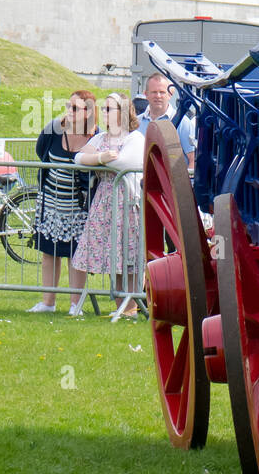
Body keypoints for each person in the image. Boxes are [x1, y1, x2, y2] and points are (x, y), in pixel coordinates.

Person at [72, 93, 145, 320]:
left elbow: (124, 162)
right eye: (103, 109)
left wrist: (96, 157)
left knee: (129, 254)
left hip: (127, 202)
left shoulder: (134, 138)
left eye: (109, 109)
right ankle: (110, 302)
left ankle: (130, 306)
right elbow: (78, 158)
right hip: (104, 201)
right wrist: (102, 156)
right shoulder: (101, 138)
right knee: (103, 252)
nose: (104, 113)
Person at [29, 90, 95, 314]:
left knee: (76, 255)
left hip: (78, 207)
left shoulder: (96, 137)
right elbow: (41, 151)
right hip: (51, 202)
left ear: (88, 112)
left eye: (75, 108)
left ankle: (76, 304)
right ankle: (48, 302)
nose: (70, 111)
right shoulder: (53, 129)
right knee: (50, 252)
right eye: (69, 106)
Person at [137, 73, 194, 163]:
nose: (158, 96)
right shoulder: (136, 122)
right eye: (154, 92)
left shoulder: (183, 122)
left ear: (170, 94)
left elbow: (192, 159)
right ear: (145, 94)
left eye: (162, 92)